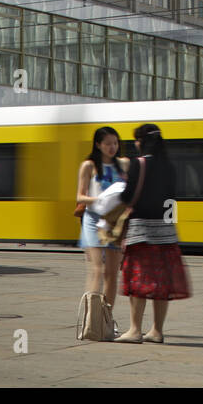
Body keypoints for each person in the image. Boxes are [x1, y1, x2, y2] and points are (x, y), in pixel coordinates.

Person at [115, 124, 191, 344]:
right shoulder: (169, 166)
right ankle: (157, 331)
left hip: (141, 232)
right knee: (162, 284)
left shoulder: (138, 164)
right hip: (167, 234)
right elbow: (172, 199)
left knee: (138, 281)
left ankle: (135, 330)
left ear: (141, 142)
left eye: (136, 140)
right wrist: (168, 227)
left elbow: (128, 196)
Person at [77, 127, 125, 313]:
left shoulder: (123, 164)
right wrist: (100, 200)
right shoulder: (89, 166)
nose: (112, 147)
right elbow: (80, 196)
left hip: (114, 220)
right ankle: (92, 317)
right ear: (98, 145)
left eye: (115, 143)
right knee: (98, 269)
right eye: (107, 144)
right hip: (93, 219)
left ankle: (106, 317)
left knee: (112, 274)